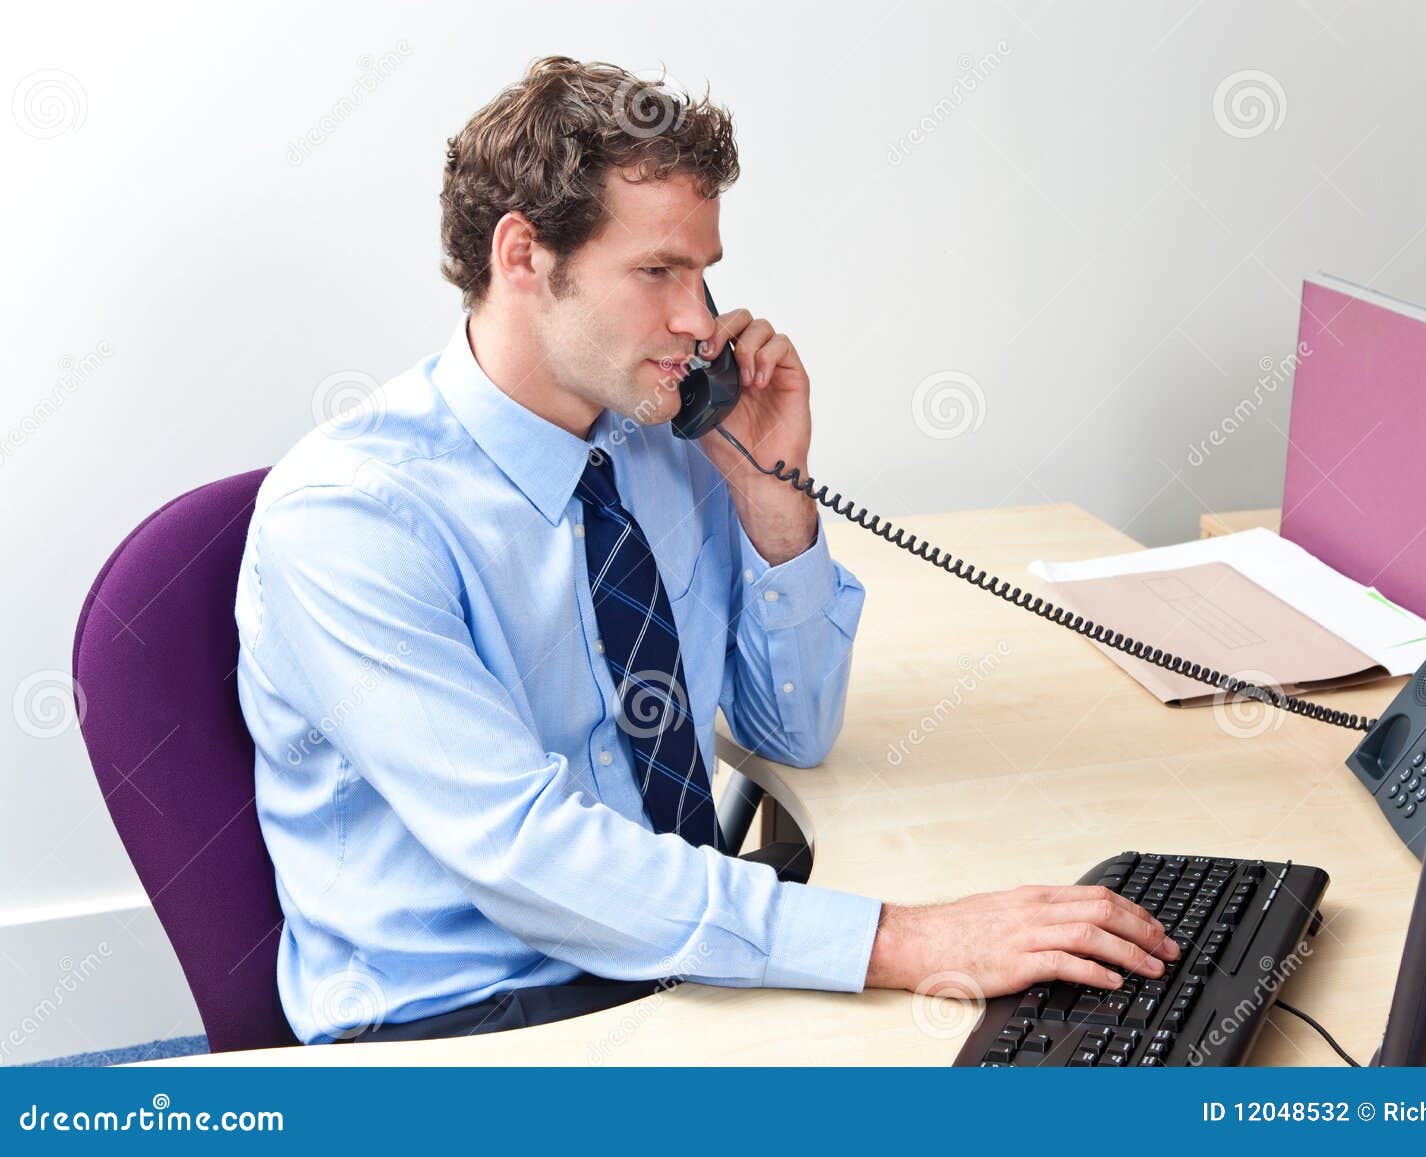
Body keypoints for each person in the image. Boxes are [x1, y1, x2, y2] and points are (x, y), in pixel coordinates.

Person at [236, 55, 1178, 1045]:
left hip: (665, 949)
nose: (697, 320)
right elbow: (526, 856)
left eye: (702, 271)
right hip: (470, 1021)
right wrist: (905, 938)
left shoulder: (668, 439)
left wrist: (775, 503)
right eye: (657, 272)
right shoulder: (352, 519)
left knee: (1071, 1034)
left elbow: (792, 731)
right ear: (523, 256)